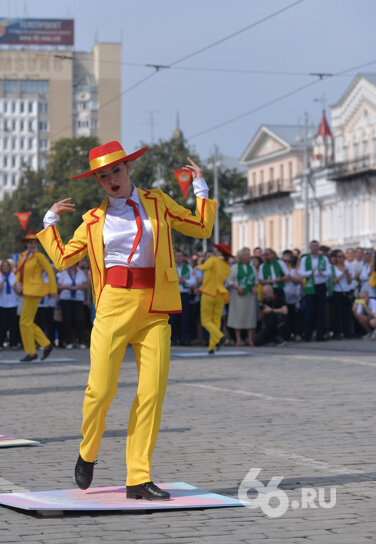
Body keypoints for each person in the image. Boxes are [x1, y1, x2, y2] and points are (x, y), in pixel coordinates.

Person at [38, 140, 216, 499]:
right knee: (100, 391)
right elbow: (62, 259)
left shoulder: (158, 201)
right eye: (103, 176)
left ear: (128, 168)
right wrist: (50, 221)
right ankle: (87, 451)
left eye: (116, 171)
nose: (111, 180)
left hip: (155, 305)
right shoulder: (92, 220)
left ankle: (138, 477)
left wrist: (201, 188)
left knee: (151, 394)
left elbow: (200, 228)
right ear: (98, 182)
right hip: (113, 306)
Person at [15, 232, 57, 361]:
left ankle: (34, 351)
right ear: (26, 244)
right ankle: (44, 345)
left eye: (34, 242)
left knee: (24, 322)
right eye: (30, 242)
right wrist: (17, 283)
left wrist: (53, 290)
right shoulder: (22, 256)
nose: (32, 245)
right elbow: (19, 273)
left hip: (35, 290)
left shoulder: (39, 256)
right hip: (26, 290)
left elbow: (50, 272)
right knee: (26, 322)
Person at [199, 243, 233, 354]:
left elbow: (204, 267)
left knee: (206, 321)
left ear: (219, 252)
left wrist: (198, 266)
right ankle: (212, 347)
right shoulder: (226, 267)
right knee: (216, 321)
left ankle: (220, 337)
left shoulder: (213, 259)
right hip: (220, 294)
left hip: (208, 293)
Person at [299, 240, 330, 341]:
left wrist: (322, 273)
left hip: (321, 285)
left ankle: (319, 335)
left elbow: (329, 272)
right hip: (310, 286)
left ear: (318, 248)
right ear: (310, 248)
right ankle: (308, 334)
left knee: (321, 311)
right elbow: (302, 273)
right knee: (309, 311)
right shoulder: (305, 259)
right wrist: (311, 272)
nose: (314, 248)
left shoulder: (324, 258)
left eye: (316, 246)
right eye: (312, 246)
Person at [227, 248, 257, 347]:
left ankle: (250, 339)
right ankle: (238, 339)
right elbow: (229, 281)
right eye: (247, 255)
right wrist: (237, 287)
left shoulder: (252, 268)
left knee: (250, 317)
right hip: (238, 296)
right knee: (238, 317)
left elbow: (255, 280)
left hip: (249, 295)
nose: (249, 257)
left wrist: (253, 287)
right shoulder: (235, 268)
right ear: (242, 257)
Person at [57, 263, 88, 349]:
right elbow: (58, 286)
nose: (72, 264)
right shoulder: (64, 273)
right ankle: (69, 342)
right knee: (67, 320)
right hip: (66, 299)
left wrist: (77, 287)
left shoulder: (81, 273)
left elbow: (86, 286)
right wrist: (66, 287)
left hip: (78, 299)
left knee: (80, 320)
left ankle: (81, 341)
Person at [169, 250, 196, 346]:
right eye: (176, 256)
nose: (178, 258)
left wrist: (185, 281)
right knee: (173, 318)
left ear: (183, 257)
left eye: (180, 256)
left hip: (184, 295)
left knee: (185, 318)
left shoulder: (188, 267)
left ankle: (184, 339)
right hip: (173, 295)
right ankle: (173, 339)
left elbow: (193, 281)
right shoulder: (171, 267)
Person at [0, 259, 17, 349]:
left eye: (7, 265)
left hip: (12, 303)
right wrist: (3, 280)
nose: (6, 267)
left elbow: (17, 289)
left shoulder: (14, 276)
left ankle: (13, 344)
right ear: (1, 268)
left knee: (12, 325)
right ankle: (0, 344)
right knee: (1, 325)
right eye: (4, 266)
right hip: (1, 304)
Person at [330, 249, 354, 339]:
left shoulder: (347, 266)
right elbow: (333, 281)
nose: (341, 258)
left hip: (346, 291)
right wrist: (342, 274)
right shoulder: (333, 268)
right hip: (337, 292)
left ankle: (347, 332)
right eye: (339, 256)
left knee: (347, 313)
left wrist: (347, 274)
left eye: (343, 256)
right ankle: (337, 333)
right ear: (336, 258)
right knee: (337, 313)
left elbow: (349, 281)